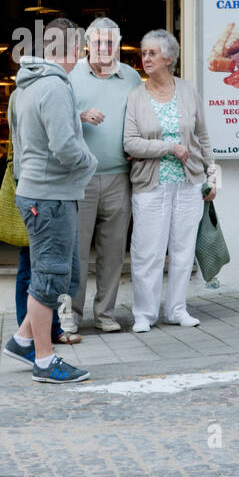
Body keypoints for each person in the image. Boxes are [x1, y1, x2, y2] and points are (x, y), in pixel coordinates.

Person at [1, 18, 97, 383]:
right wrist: (91, 163)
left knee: (54, 273)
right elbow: (65, 146)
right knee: (49, 278)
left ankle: (23, 339)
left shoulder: (26, 85)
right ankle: (44, 360)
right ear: (73, 49)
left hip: (38, 192)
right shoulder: (55, 86)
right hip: (51, 196)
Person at [123, 29, 217, 331]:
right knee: (147, 251)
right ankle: (144, 314)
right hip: (151, 185)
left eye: (152, 53)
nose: (146, 58)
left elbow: (202, 136)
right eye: (144, 52)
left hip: (189, 183)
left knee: (183, 250)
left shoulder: (188, 91)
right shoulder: (136, 97)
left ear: (169, 58)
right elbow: (131, 143)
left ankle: (177, 309)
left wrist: (212, 176)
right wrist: (169, 148)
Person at [68, 17, 142, 333]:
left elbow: (144, 115)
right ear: (88, 44)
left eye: (110, 42)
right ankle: (71, 315)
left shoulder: (131, 77)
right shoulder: (71, 76)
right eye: (98, 42)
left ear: (118, 44)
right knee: (77, 251)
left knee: (113, 252)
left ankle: (105, 314)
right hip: (80, 178)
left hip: (119, 177)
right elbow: (54, 118)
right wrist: (80, 115)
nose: (104, 48)